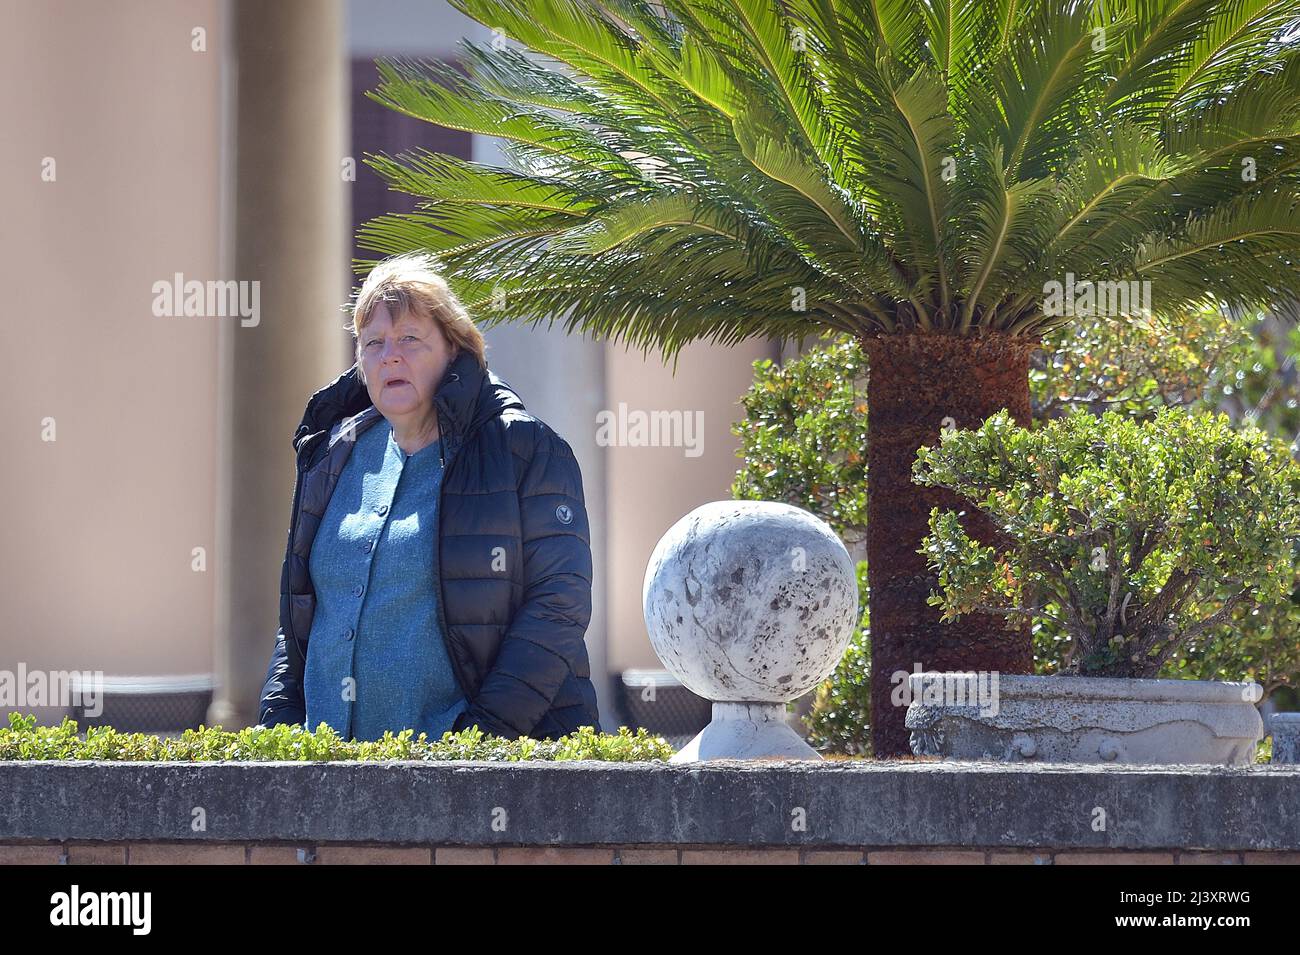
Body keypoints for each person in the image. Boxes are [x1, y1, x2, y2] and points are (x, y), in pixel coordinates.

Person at [257, 251, 600, 741]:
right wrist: (278, 733)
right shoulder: (332, 454)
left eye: (410, 339)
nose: (389, 355)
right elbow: (300, 614)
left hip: (471, 777)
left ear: (455, 350)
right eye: (373, 342)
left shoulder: (523, 448)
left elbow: (558, 604)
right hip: (332, 775)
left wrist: (477, 742)